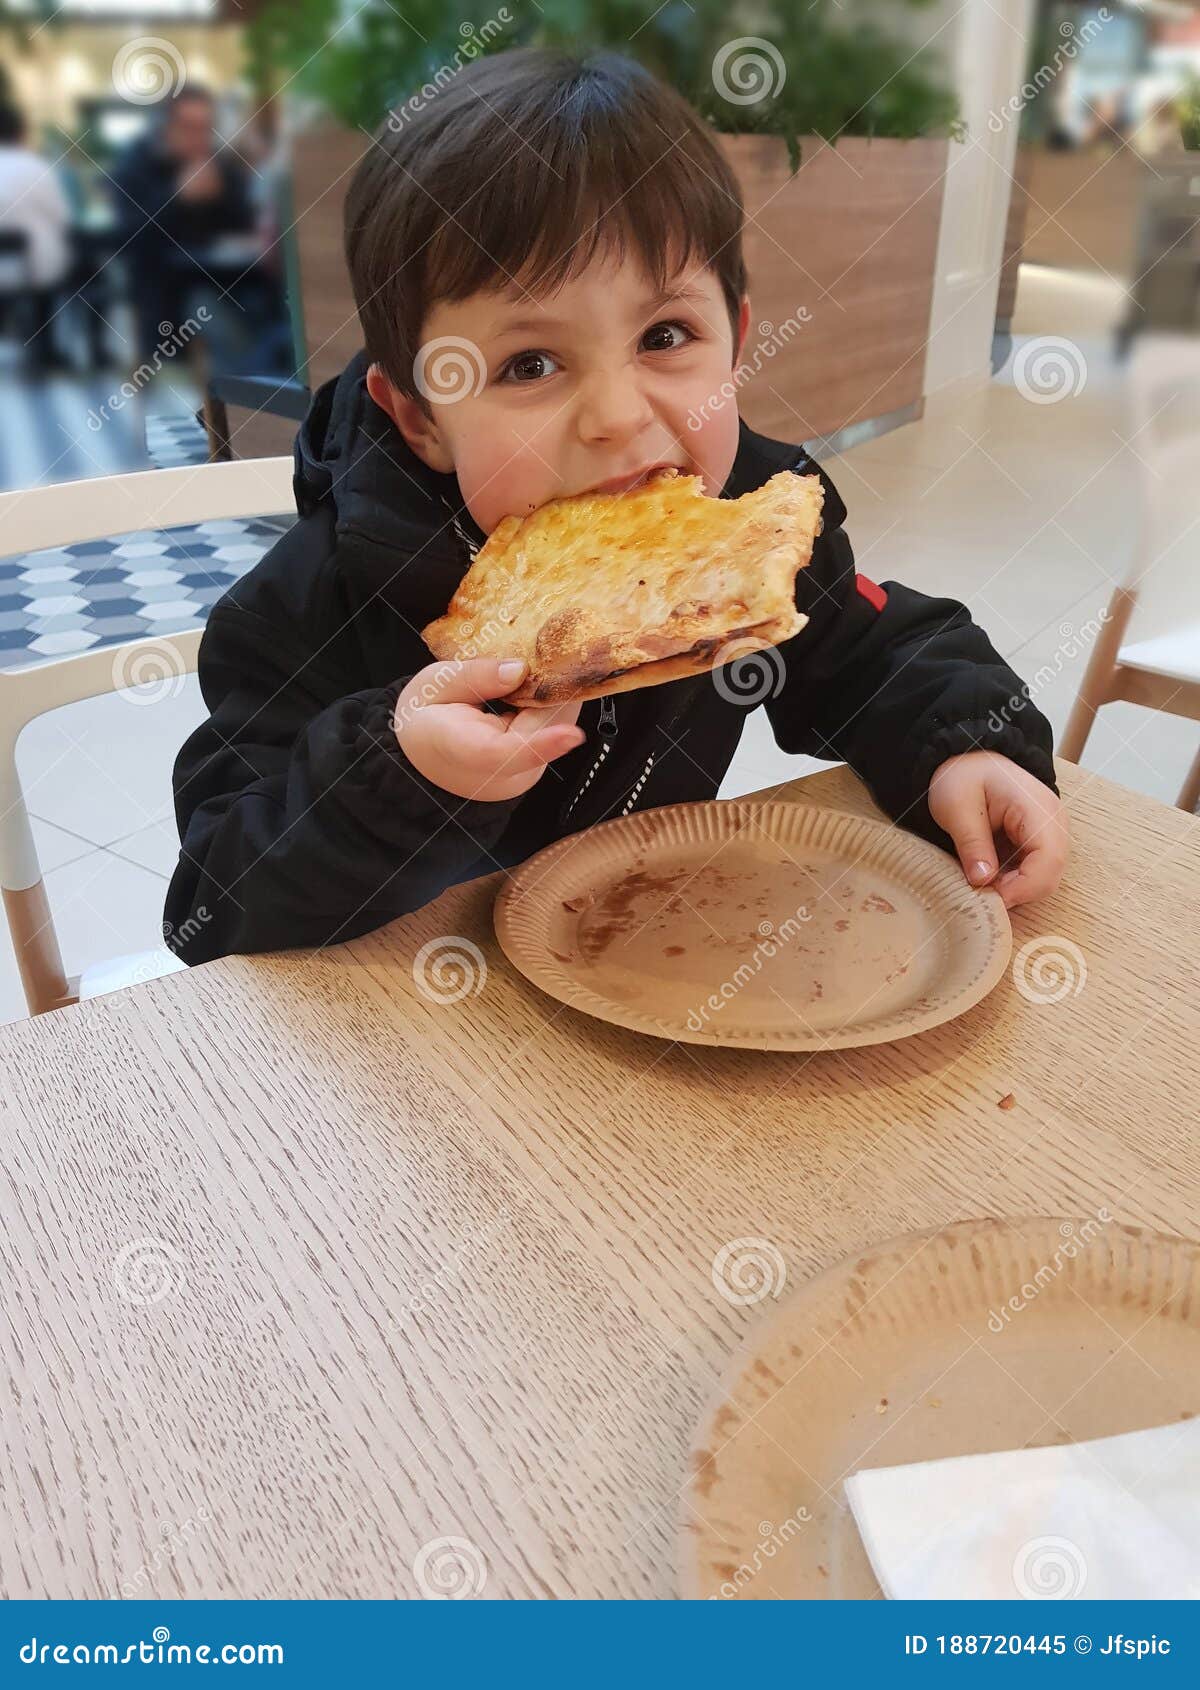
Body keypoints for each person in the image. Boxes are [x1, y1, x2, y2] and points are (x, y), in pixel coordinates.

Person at [164, 48, 1067, 966]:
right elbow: (214, 905)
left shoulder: (744, 547)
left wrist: (964, 748)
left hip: (653, 959)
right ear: (421, 418)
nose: (618, 417)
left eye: (665, 335)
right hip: (417, 1016)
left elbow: (872, 654)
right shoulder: (301, 611)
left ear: (735, 343)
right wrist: (398, 775)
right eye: (529, 364)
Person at [109, 83, 254, 364]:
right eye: (189, 128)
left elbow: (244, 227)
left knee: (276, 312)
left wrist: (222, 197)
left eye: (206, 129)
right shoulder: (135, 166)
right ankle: (244, 388)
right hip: (167, 291)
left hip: (233, 281)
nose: (199, 139)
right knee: (220, 320)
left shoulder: (220, 167)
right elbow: (130, 240)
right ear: (165, 128)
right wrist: (177, 198)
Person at [0, 103, 72, 370]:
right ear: (22, 133)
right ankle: (45, 348)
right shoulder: (38, 168)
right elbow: (62, 217)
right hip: (34, 271)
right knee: (55, 266)